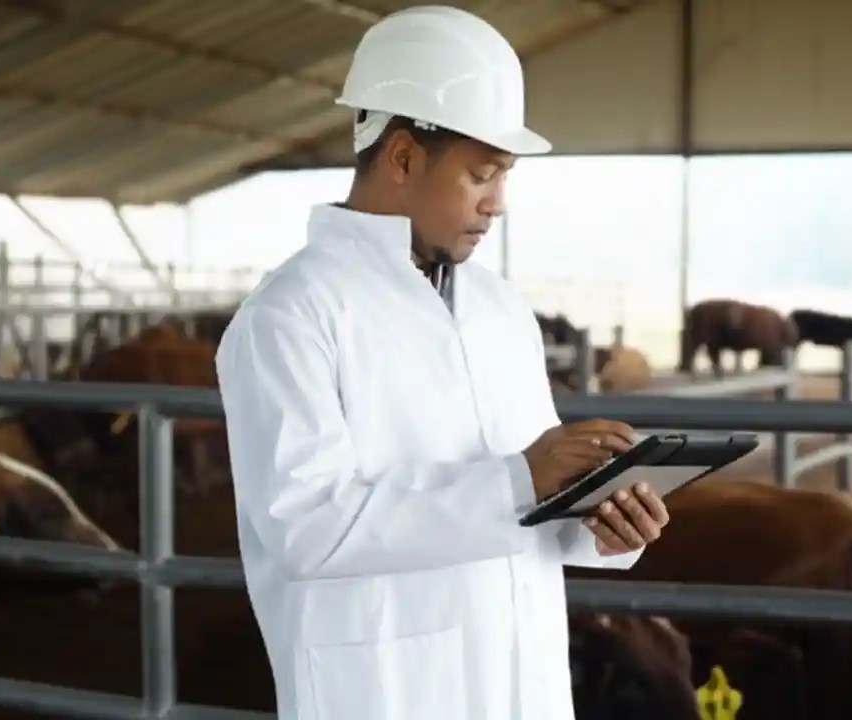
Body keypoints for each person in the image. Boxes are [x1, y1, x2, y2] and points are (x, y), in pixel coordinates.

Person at [214, 5, 670, 719]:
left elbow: (537, 506)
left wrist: (599, 521)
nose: (498, 204)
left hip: (524, 691)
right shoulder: (291, 316)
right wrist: (522, 476)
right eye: (482, 174)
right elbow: (306, 528)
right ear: (401, 156)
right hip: (386, 693)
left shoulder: (500, 311)